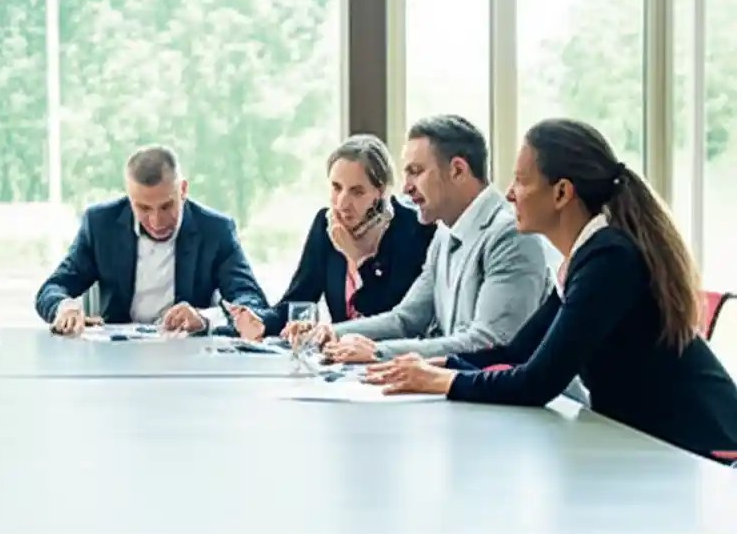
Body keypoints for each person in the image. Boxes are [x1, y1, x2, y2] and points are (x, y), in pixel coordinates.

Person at [367, 118, 737, 534]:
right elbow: (518, 352)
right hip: (643, 448)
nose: (510, 192)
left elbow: (538, 380)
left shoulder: (610, 258)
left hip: (693, 453)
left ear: (562, 192)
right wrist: (431, 369)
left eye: (521, 181)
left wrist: (442, 380)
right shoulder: (584, 260)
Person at [293, 115, 551, 363]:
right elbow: (406, 319)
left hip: (534, 406)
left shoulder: (510, 236)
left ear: (458, 170)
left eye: (416, 172)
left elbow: (489, 343)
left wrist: (377, 352)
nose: (406, 188)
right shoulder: (444, 233)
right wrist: (333, 334)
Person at [34, 144, 269, 336]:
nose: (156, 221)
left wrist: (204, 318)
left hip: (189, 356)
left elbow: (251, 300)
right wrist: (64, 308)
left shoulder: (215, 230)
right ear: (129, 197)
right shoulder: (100, 224)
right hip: (116, 358)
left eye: (167, 206)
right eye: (143, 208)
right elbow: (52, 289)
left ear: (183, 190)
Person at [228, 134, 435, 341]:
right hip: (341, 359)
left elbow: (390, 320)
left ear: (379, 193)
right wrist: (262, 320)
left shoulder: (413, 229)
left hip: (391, 358)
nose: (342, 203)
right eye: (336, 188)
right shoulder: (325, 225)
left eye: (357, 192)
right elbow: (299, 299)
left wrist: (359, 259)